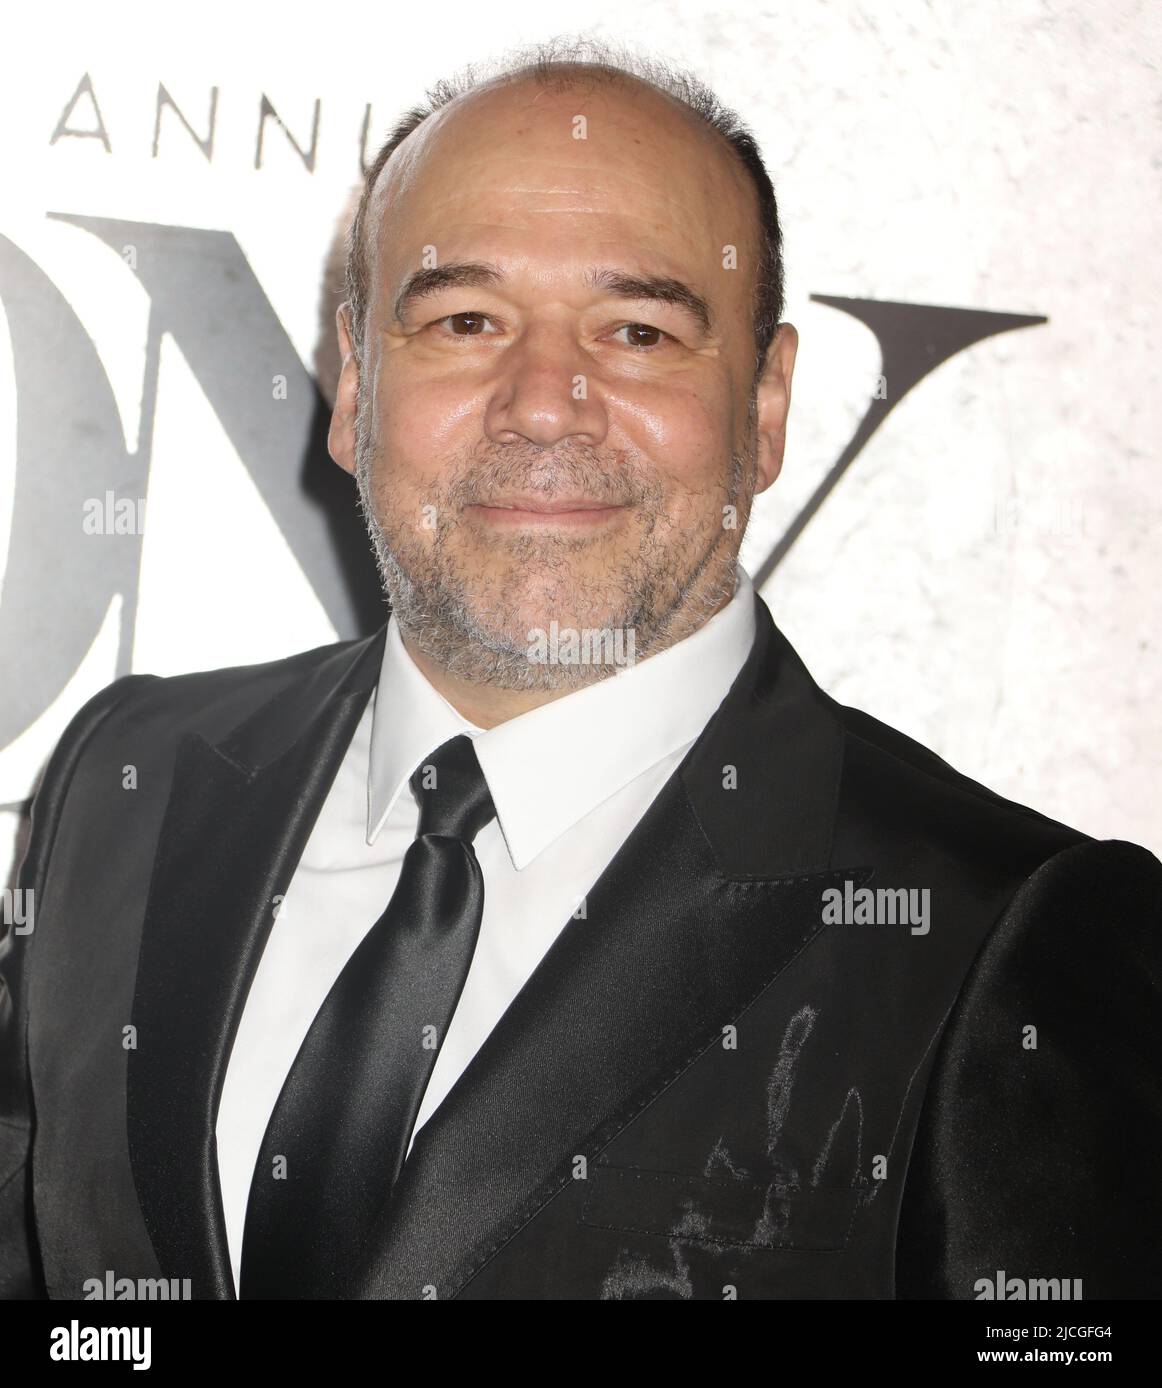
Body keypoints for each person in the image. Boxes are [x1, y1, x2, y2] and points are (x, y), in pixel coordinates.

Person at [2, 37, 1160, 1301]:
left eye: (638, 329)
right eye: (464, 319)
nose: (545, 402)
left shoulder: (1002, 936)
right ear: (352, 389)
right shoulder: (129, 780)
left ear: (766, 406)